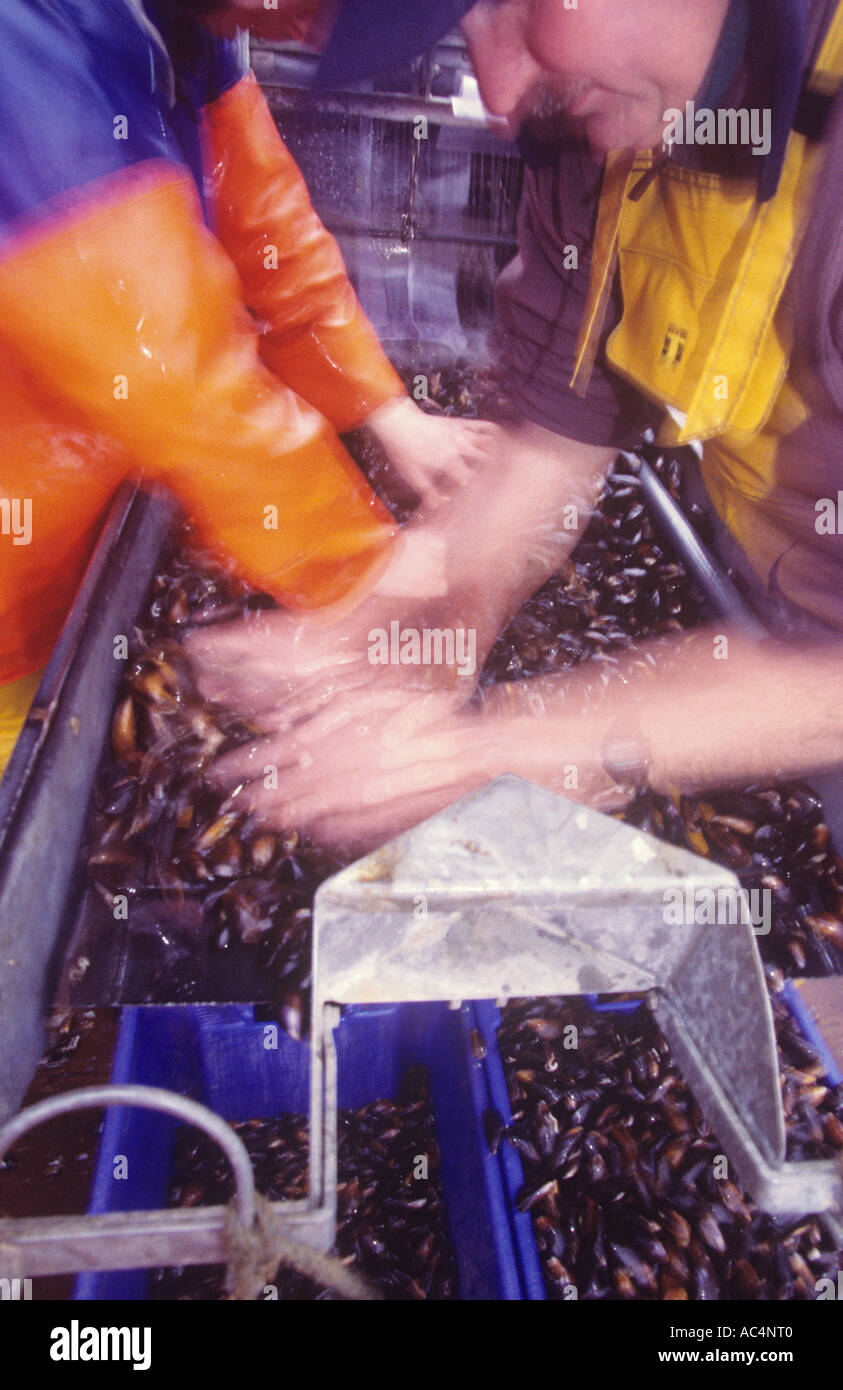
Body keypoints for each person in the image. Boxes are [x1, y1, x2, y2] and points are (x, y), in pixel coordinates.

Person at [189, 0, 843, 851]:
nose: (498, 92)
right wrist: (413, 617)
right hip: (772, 606)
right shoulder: (605, 129)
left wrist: (516, 747)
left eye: (515, 1)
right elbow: (556, 423)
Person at [0, 0, 491, 778]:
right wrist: (352, 572)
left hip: (86, 519)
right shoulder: (22, 32)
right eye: (319, 7)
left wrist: (386, 409)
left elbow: (274, 237)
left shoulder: (200, 32)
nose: (313, 31)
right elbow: (147, 337)